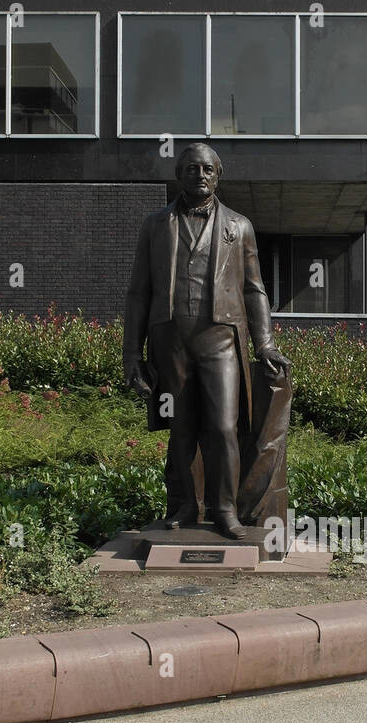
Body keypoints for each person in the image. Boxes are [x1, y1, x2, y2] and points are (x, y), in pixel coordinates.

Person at [122, 144, 290, 537]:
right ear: (179, 174)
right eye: (192, 168)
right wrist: (132, 352)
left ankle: (226, 509)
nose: (200, 175)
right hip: (170, 341)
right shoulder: (155, 225)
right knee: (180, 426)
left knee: (222, 426)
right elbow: (138, 293)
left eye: (208, 169)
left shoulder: (239, 226)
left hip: (221, 339)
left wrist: (264, 344)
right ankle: (183, 505)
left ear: (218, 175)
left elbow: (254, 290)